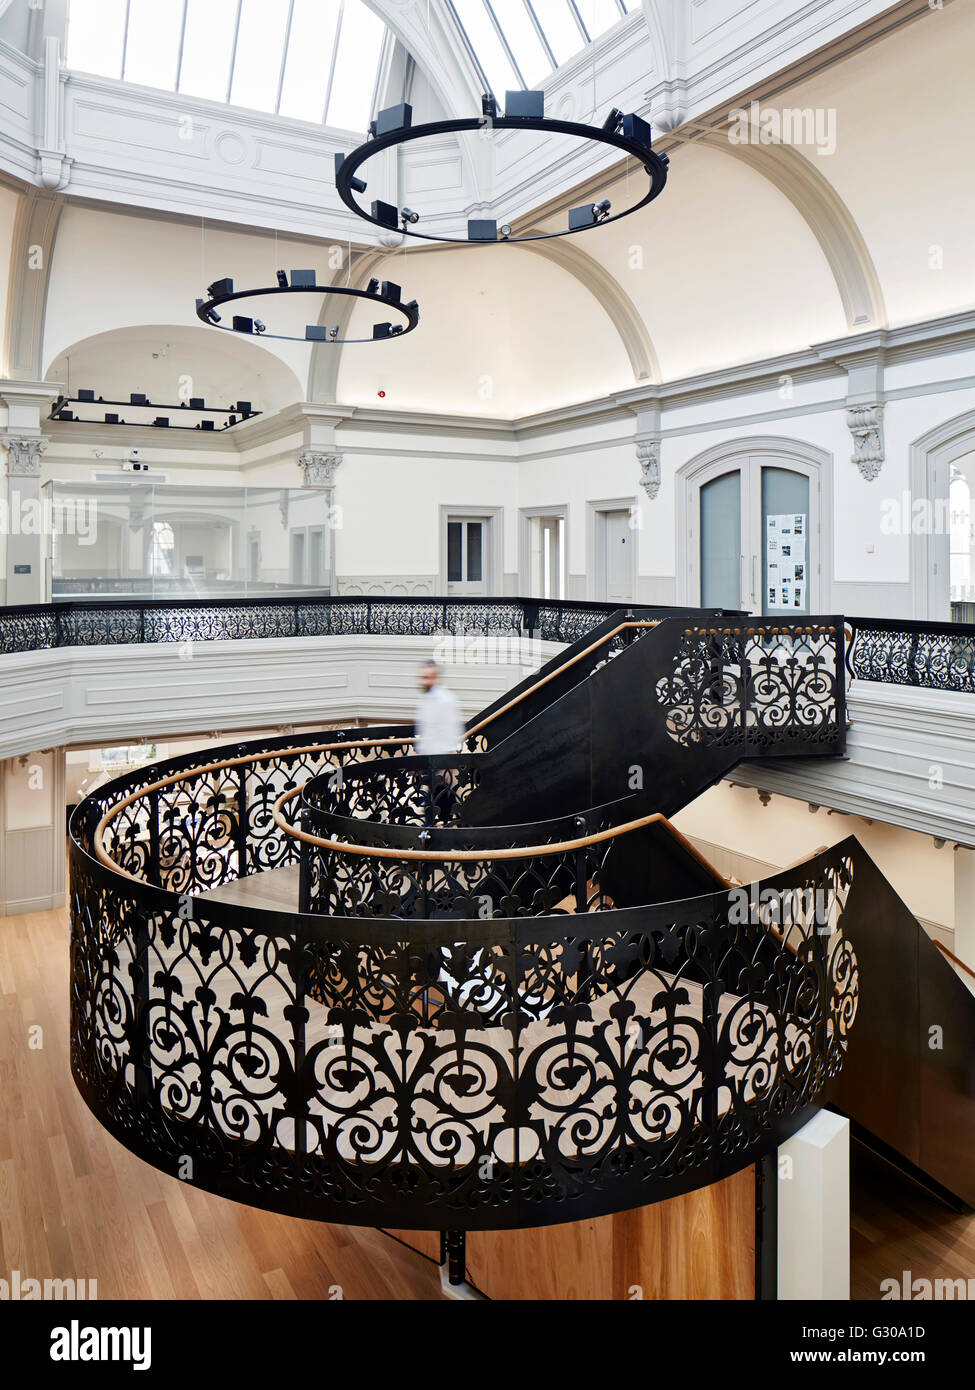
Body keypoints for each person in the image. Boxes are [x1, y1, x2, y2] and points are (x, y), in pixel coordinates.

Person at [415, 659, 464, 824]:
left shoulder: (446, 700)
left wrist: (446, 766)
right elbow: (426, 731)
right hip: (429, 764)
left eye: (428, 677)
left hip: (441, 765)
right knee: (436, 805)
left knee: (440, 805)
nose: (425, 681)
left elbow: (453, 732)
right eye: (423, 677)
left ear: (437, 678)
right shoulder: (426, 699)